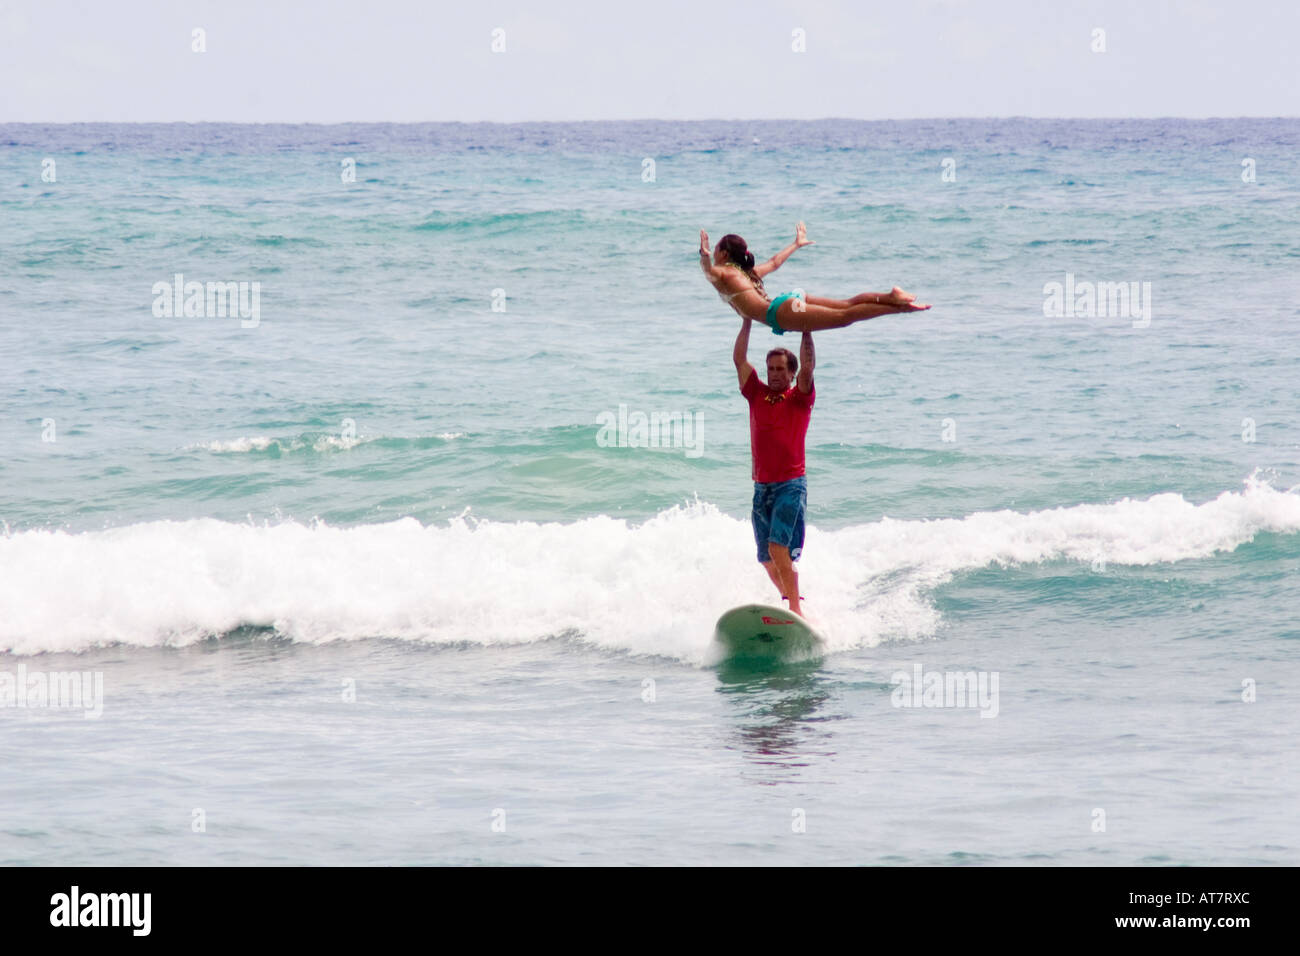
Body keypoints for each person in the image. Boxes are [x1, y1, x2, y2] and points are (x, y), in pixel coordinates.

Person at [701, 223, 930, 334]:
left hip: (783, 312)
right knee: (847, 305)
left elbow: (709, 272)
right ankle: (890, 297)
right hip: (789, 302)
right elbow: (774, 262)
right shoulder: (746, 274)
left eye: (716, 250)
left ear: (723, 254)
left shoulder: (724, 273)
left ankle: (899, 308)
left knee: (844, 316)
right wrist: (796, 244)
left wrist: (704, 257)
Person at [734, 314, 816, 617]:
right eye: (771, 369)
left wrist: (807, 327)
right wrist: (747, 320)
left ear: (791, 374)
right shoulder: (756, 393)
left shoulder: (799, 398)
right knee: (766, 557)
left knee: (778, 547)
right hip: (761, 486)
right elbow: (740, 359)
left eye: (781, 369)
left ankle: (795, 609)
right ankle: (792, 602)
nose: (774, 374)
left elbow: (808, 367)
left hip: (790, 484)